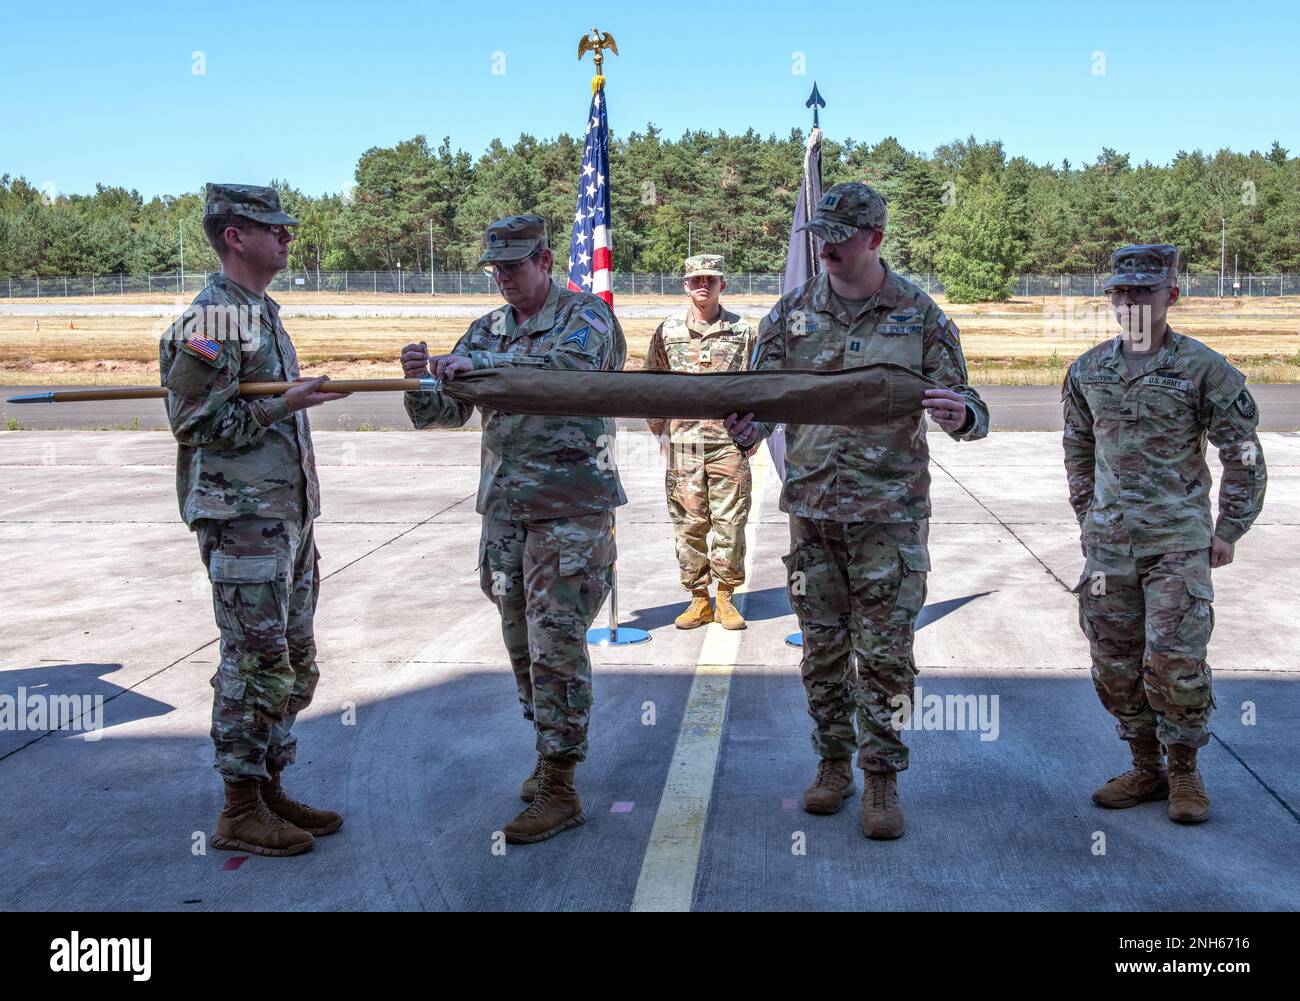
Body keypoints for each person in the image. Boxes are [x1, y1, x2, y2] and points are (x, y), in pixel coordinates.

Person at [724, 182, 989, 839]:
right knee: (820, 651)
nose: (828, 247)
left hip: (890, 517)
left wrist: (964, 415)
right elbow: (760, 403)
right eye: (820, 236)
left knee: (887, 655)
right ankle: (832, 764)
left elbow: (967, 401)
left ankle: (882, 779)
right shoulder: (787, 317)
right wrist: (745, 429)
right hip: (813, 513)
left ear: (875, 238)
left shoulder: (919, 315)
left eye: (841, 236)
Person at [400, 214, 625, 844]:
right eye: (496, 267)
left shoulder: (587, 317)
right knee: (520, 639)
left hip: (569, 509)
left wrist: (479, 362)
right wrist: (424, 379)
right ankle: (546, 750)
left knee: (556, 642)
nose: (504, 277)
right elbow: (447, 413)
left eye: (516, 264)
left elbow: (566, 375)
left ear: (547, 260)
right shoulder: (488, 326)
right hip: (505, 509)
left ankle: (561, 782)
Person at [159, 183, 350, 857]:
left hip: (285, 518)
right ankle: (238, 806)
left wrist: (288, 404)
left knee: (293, 659)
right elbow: (193, 422)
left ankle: (268, 786)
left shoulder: (260, 311)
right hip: (243, 520)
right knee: (253, 661)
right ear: (236, 235)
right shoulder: (215, 317)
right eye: (275, 228)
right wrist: (283, 404)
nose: (287, 237)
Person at [1062, 243, 1267, 823]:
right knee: (1114, 663)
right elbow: (1078, 446)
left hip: (1177, 542)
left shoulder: (1203, 368)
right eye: (1119, 292)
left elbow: (1243, 451)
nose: (1128, 302)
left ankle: (1184, 773)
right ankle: (1145, 767)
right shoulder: (1088, 369)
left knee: (1175, 661)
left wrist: (1230, 526)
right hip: (1108, 547)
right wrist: (1086, 514)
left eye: (1141, 292)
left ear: (1170, 296)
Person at [643, 253, 756, 630]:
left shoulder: (743, 332)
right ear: (685, 285)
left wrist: (755, 433)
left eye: (710, 279)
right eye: (695, 280)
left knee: (730, 521)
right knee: (688, 523)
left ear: (723, 284)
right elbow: (651, 383)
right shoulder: (668, 330)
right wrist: (660, 430)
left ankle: (726, 596)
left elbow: (760, 385)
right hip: (684, 445)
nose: (702, 285)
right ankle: (697, 598)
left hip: (727, 445)